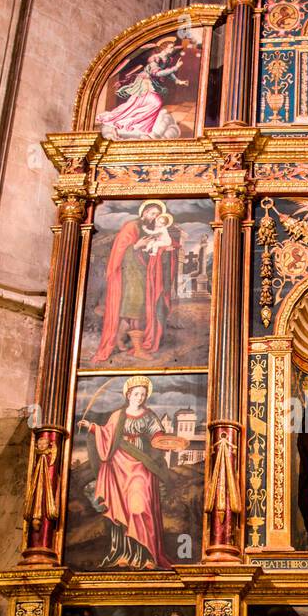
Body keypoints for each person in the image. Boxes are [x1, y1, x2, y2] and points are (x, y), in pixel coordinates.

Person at [77, 375, 188, 570]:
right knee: (122, 509)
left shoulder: (149, 415)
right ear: (128, 395)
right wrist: (92, 427)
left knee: (139, 507)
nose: (140, 397)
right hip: (118, 463)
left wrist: (166, 442)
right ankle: (123, 554)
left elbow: (157, 436)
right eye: (136, 393)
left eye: (143, 394)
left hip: (141, 465)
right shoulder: (117, 415)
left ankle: (146, 556)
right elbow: (107, 433)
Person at [92, 200, 179, 364]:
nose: (155, 217)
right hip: (128, 275)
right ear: (144, 213)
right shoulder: (131, 227)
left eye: (157, 215)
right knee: (136, 309)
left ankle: (119, 339)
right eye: (152, 214)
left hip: (142, 273)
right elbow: (120, 250)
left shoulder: (152, 229)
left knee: (132, 309)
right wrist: (137, 245)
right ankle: (138, 349)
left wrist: (162, 248)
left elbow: (155, 247)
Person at [96, 38, 189, 139]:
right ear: (164, 48)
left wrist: (177, 80)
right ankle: (130, 123)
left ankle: (141, 126)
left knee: (138, 104)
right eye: (170, 47)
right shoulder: (154, 59)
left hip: (153, 82)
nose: (172, 49)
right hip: (144, 82)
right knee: (153, 102)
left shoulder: (168, 59)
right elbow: (157, 73)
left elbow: (168, 71)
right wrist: (176, 68)